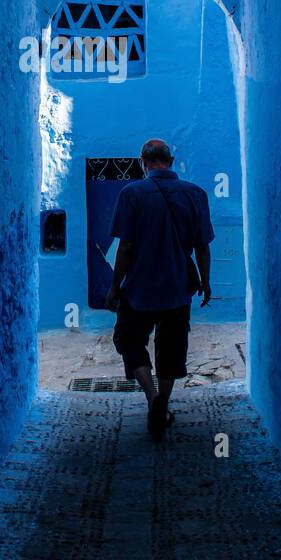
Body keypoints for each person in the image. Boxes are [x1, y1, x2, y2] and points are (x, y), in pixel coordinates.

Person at [105, 138, 214, 440]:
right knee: (172, 347)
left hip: (139, 289)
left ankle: (152, 397)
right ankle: (163, 402)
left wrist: (115, 286)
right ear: (172, 160)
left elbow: (125, 247)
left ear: (143, 161)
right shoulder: (196, 194)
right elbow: (203, 247)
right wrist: (205, 282)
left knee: (128, 339)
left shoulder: (131, 194)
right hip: (178, 288)